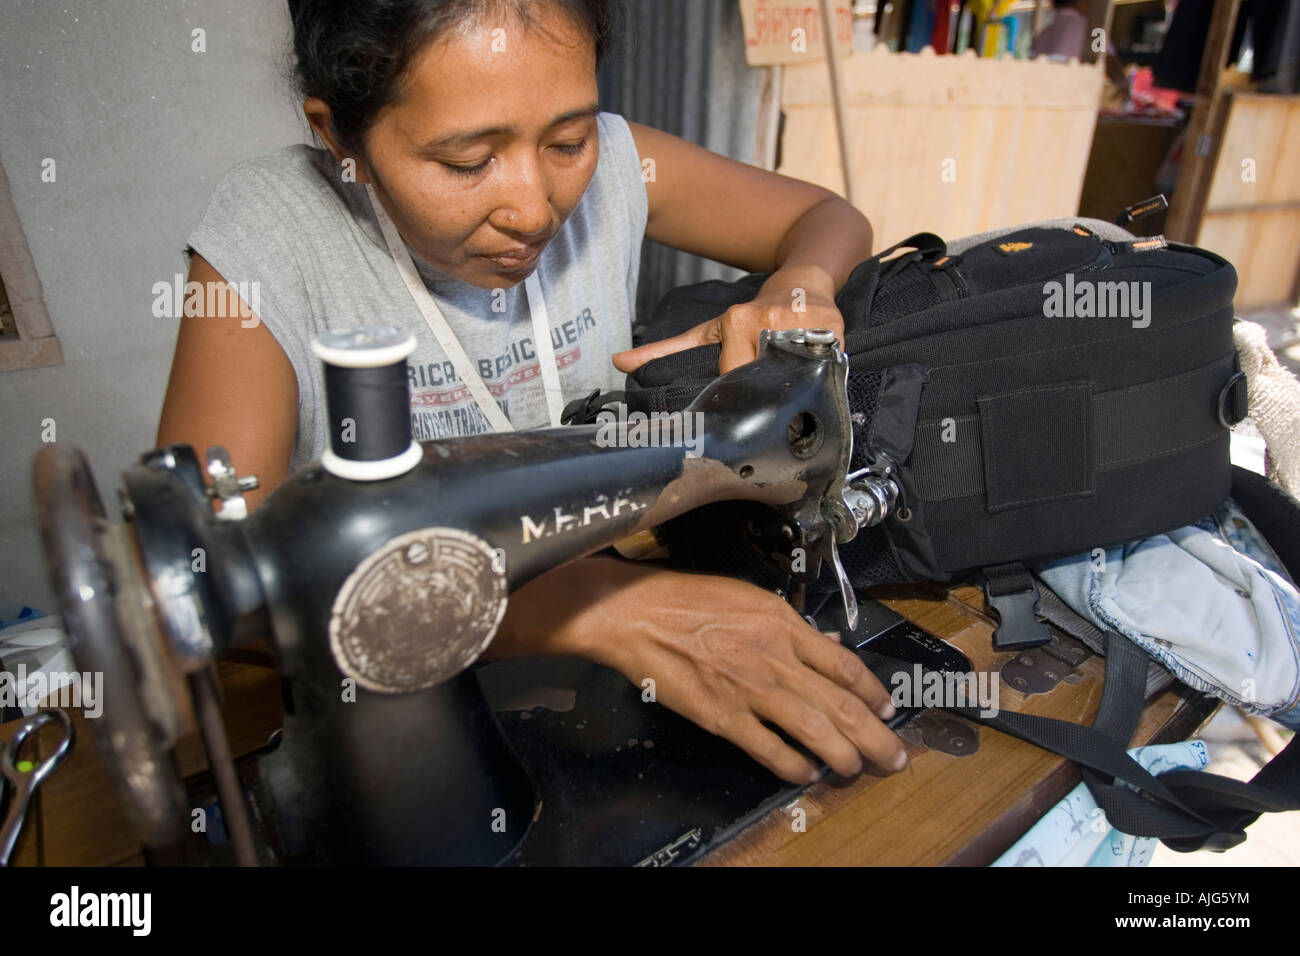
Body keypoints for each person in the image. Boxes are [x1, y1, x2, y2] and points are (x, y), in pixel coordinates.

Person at [157, 0, 908, 786]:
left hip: (604, 650)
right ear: (340, 135)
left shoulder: (621, 167)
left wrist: (801, 282)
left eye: (567, 140)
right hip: (397, 714)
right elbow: (225, 580)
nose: (535, 207)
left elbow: (828, 216)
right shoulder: (272, 232)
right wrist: (599, 608)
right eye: (465, 162)